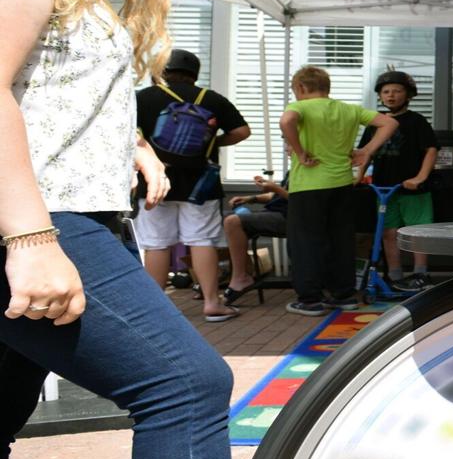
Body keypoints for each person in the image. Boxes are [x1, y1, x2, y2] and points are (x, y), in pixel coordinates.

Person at [1, 0, 234, 459]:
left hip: (55, 214)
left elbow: (47, 89)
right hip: (40, 219)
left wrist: (135, 145)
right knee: (187, 386)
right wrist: (30, 237)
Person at [133, 47, 250, 321]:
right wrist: (213, 143)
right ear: (194, 74)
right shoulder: (211, 99)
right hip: (201, 183)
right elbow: (242, 131)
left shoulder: (144, 98)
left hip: (154, 181)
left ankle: (155, 311)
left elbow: (126, 135)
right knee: (201, 240)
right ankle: (212, 303)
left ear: (163, 71)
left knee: (157, 244)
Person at [280, 64, 397, 316]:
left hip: (308, 186)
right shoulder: (348, 109)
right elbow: (388, 122)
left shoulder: (299, 107)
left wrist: (299, 152)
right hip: (342, 183)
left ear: (301, 87)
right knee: (341, 240)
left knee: (306, 242)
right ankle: (343, 295)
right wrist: (367, 150)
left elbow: (286, 120)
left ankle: (310, 299)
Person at [356, 68, 437, 293]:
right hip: (384, 188)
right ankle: (395, 276)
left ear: (408, 95)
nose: (391, 95)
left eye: (397, 91)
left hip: (412, 188)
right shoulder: (375, 123)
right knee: (388, 232)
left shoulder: (417, 121)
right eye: (386, 91)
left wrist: (420, 177)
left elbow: (431, 150)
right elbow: (365, 153)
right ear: (380, 95)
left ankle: (421, 273)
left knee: (418, 231)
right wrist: (358, 177)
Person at [219, 173, 286, 305]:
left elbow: (298, 200)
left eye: (289, 149)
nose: (287, 150)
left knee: (232, 222)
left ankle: (241, 277)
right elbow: (275, 196)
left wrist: (275, 188)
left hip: (290, 217)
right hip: (274, 212)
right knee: (230, 220)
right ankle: (243, 272)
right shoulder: (294, 169)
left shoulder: (309, 170)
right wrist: (250, 198)